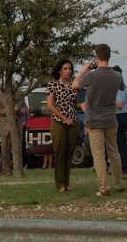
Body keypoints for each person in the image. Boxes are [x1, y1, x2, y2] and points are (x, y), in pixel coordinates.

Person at [74, 44, 125, 197]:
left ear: (97, 57)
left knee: (98, 154)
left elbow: (74, 85)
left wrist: (83, 70)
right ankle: (119, 182)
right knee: (114, 152)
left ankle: (103, 187)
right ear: (109, 56)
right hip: (111, 119)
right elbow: (122, 88)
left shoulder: (91, 76)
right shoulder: (117, 75)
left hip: (94, 120)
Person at [46, 59, 79, 193]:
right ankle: (60, 184)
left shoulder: (73, 85)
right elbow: (50, 105)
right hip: (58, 122)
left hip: (73, 122)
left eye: (70, 69)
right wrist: (64, 118)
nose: (68, 71)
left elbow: (76, 103)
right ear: (59, 71)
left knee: (69, 153)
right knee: (60, 152)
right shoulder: (52, 85)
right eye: (65, 68)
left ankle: (67, 182)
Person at [0, 86, 24, 178]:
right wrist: (9, 111)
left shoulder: (19, 92)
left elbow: (23, 108)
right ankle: (6, 170)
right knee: (5, 149)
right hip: (5, 125)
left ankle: (18, 169)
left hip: (17, 125)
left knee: (18, 148)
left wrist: (18, 110)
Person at [112, 66, 127, 176]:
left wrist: (108, 101)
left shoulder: (120, 87)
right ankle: (122, 167)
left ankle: (123, 167)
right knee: (120, 143)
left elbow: (119, 104)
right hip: (123, 116)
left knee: (119, 144)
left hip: (119, 116)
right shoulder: (125, 87)